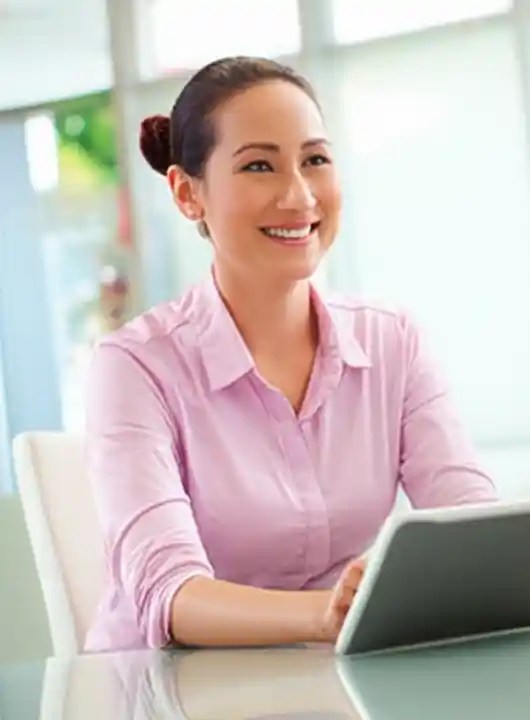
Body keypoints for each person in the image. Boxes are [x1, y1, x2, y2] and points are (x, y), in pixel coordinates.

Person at [83, 56, 498, 653]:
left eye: (316, 160)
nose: (299, 195)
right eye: (258, 165)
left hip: (327, 684)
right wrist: (332, 612)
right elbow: (169, 595)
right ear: (187, 192)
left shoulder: (393, 341)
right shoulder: (135, 367)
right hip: (164, 694)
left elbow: (472, 526)